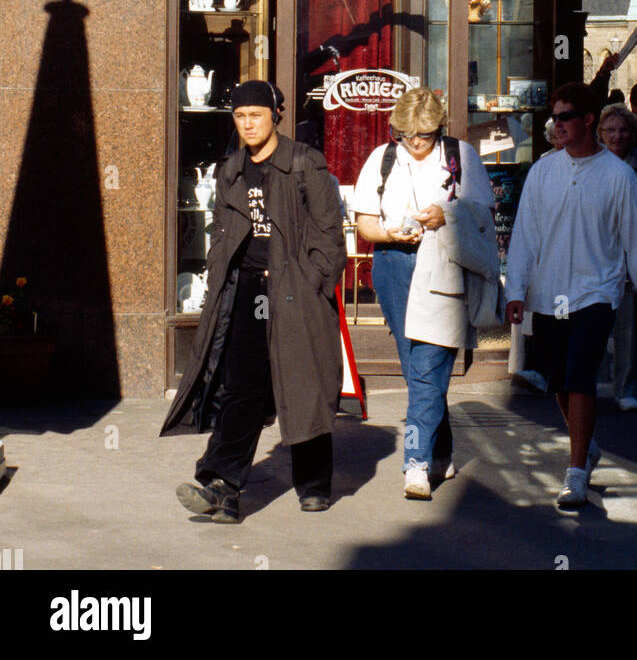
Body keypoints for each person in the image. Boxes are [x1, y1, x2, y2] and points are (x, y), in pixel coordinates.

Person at [161, 80, 346, 519]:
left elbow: (328, 233)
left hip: (295, 288)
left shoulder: (305, 163)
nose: (247, 124)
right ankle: (221, 485)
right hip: (247, 290)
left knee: (303, 383)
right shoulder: (231, 170)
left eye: (256, 115)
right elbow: (219, 230)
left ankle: (315, 483)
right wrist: (218, 270)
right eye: (240, 116)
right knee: (240, 385)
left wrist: (315, 281)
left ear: (275, 116)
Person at [505, 83, 637, 510]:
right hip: (549, 293)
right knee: (558, 378)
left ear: (588, 120)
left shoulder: (618, 176)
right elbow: (525, 235)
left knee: (580, 375)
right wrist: (515, 289)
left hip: (597, 292)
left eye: (564, 117)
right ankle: (585, 443)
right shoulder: (542, 172)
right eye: (554, 118)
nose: (556, 126)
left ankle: (575, 471)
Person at [352, 87, 499, 500]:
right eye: (405, 134)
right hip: (395, 266)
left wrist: (444, 214)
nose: (415, 143)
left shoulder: (461, 155)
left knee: (427, 365)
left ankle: (415, 463)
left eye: (424, 135)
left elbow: (482, 212)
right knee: (417, 365)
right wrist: (390, 232)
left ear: (439, 129)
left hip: (444, 266)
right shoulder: (381, 159)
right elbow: (365, 223)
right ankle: (441, 451)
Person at [597, 103, 637, 411]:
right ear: (601, 134)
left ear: (632, 133)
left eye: (622, 130)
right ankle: (589, 387)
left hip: (632, 255)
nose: (616, 136)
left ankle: (624, 389)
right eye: (610, 130)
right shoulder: (593, 166)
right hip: (598, 255)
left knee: (629, 327)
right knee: (593, 326)